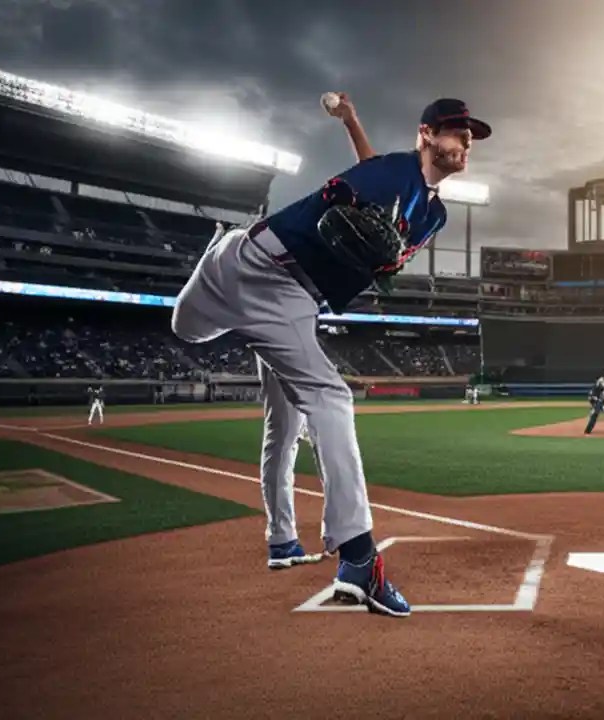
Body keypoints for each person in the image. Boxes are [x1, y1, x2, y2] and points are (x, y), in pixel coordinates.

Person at [170, 92, 492, 617]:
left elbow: (383, 221)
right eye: (457, 130)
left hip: (290, 301)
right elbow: (351, 188)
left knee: (316, 405)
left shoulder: (434, 215)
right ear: (427, 134)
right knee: (183, 328)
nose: (467, 140)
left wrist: (352, 122)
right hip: (244, 263)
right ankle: (214, 247)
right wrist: (351, 188)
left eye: (470, 135)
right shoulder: (393, 170)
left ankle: (354, 558)